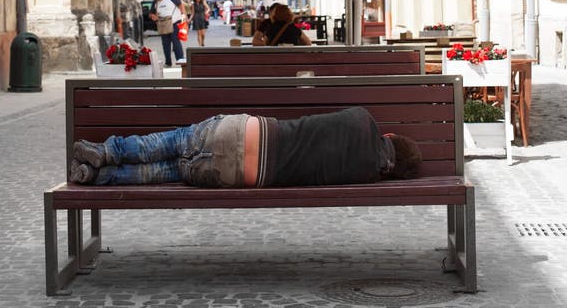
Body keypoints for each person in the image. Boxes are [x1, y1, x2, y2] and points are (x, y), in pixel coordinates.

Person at [69, 106, 422, 187]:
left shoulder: (362, 119)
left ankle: (106, 152)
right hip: (235, 175)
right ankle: (100, 176)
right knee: (171, 170)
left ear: (389, 137)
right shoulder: (364, 175)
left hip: (241, 133)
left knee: (170, 142)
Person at [149, 0, 184, 67]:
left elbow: (180, 5)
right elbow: (151, 13)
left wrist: (183, 15)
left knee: (176, 42)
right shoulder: (155, 2)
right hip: (163, 25)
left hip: (174, 23)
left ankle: (180, 60)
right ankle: (168, 62)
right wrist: (153, 16)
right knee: (165, 44)